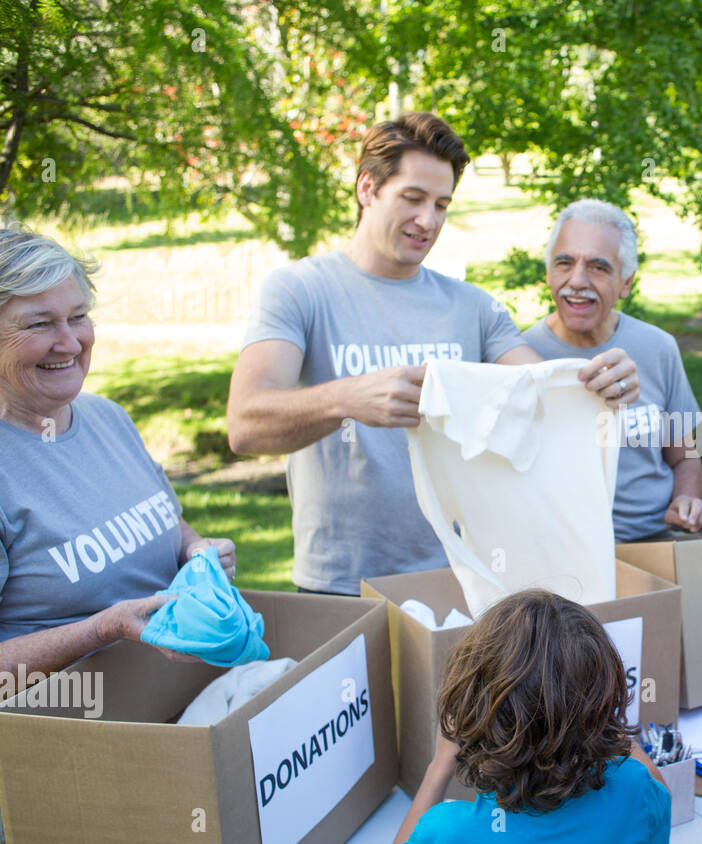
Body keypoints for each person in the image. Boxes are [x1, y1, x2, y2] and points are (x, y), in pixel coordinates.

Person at [227, 113, 641, 595]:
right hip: (339, 584)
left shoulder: (473, 307)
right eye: (413, 198)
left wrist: (602, 381)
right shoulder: (299, 291)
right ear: (367, 188)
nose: (429, 221)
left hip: (457, 580)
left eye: (442, 204)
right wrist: (346, 399)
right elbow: (245, 424)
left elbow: (544, 394)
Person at [0, 225, 235, 691]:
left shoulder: (107, 417)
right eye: (39, 323)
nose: (69, 342)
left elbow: (168, 521)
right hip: (76, 739)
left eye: (78, 316)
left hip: (178, 703)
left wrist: (195, 550)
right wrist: (103, 629)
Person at [387, 589, 670, 844]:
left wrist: (440, 765)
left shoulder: (446, 834)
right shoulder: (632, 790)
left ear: (470, 709)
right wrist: (607, 725)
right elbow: (658, 835)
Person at [522, 199, 702, 540]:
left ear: (626, 282)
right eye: (564, 263)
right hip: (561, 550)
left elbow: (686, 456)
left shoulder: (659, 348)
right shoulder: (518, 357)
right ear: (548, 272)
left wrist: (687, 500)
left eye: (598, 267)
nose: (576, 280)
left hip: (655, 543)